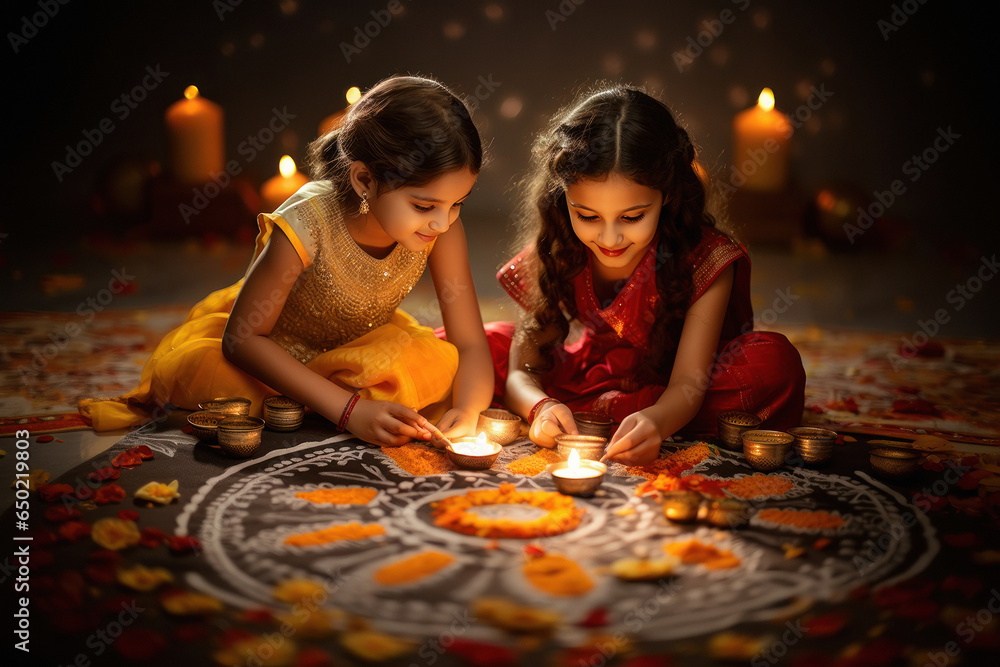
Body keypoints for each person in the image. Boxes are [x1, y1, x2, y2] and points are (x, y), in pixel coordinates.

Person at [80, 75, 495, 446]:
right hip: (272, 356)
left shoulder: (441, 229)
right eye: (425, 205)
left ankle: (328, 403)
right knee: (208, 376)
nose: (442, 222)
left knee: (436, 363)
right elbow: (241, 340)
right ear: (365, 180)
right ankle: (322, 403)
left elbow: (470, 341)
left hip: (356, 352)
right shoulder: (308, 221)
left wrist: (470, 409)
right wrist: (349, 411)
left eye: (457, 203)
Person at [488, 85, 805, 465]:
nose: (608, 238)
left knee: (773, 365)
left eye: (632, 217)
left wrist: (658, 420)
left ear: (667, 195)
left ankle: (601, 414)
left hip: (678, 385)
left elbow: (689, 383)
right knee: (483, 344)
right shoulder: (558, 246)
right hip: (587, 375)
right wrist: (539, 407)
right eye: (587, 216)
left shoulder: (704, 257)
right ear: (564, 199)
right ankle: (603, 410)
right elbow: (520, 371)